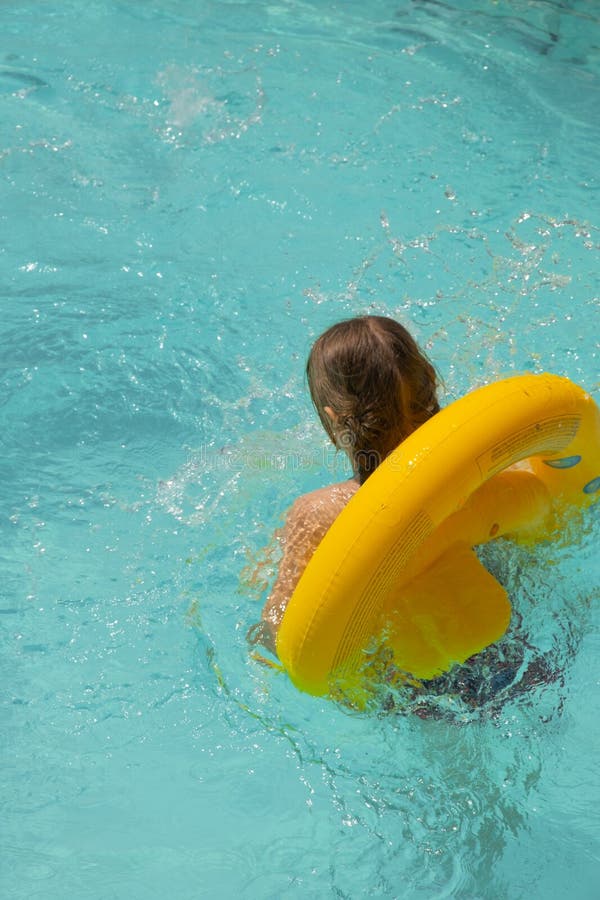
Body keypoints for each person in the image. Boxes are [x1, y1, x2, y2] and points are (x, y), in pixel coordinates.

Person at [247, 315, 440, 656]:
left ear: (334, 420)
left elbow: (279, 630)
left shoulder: (320, 512)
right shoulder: (485, 466)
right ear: (430, 381)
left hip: (409, 678)